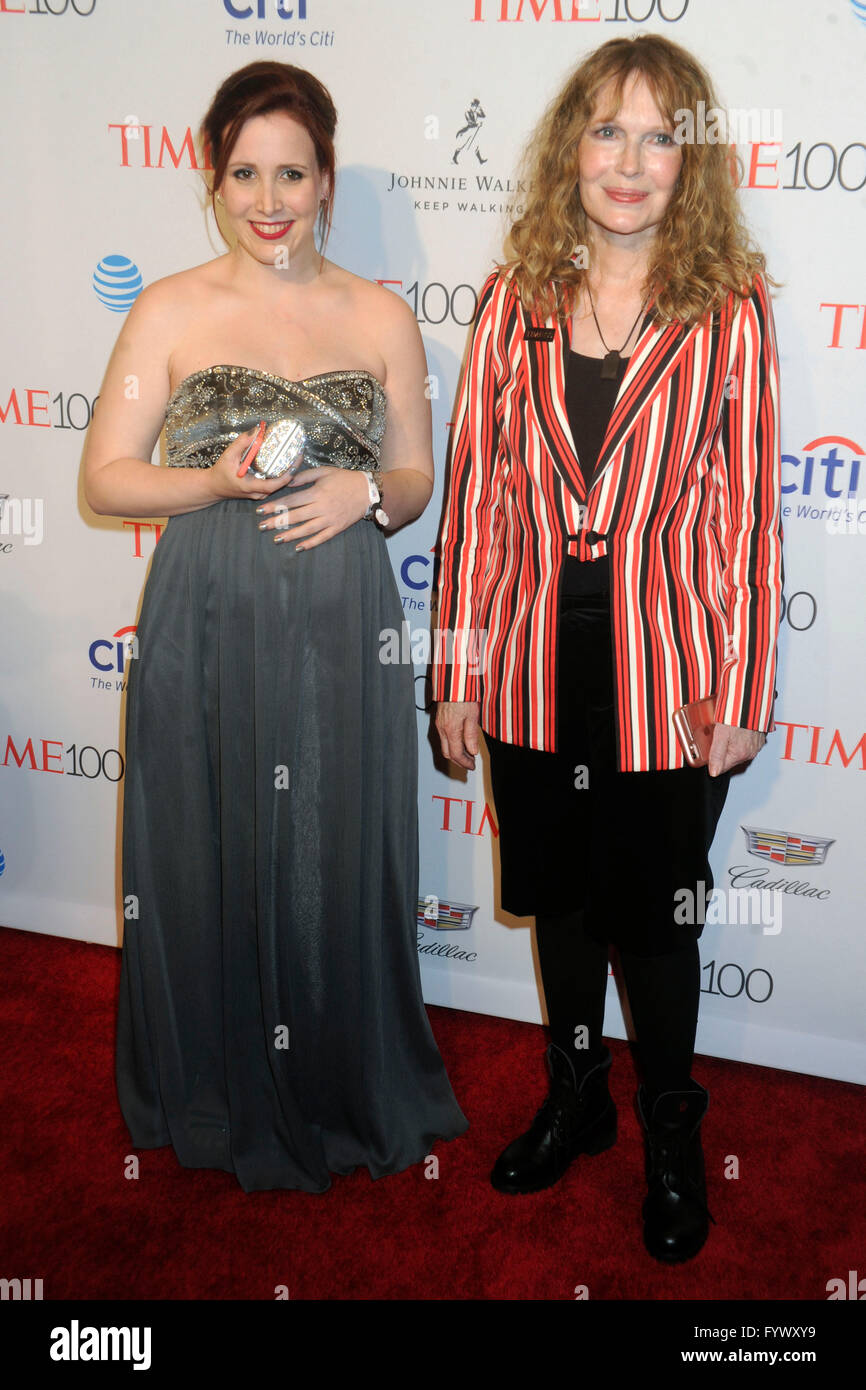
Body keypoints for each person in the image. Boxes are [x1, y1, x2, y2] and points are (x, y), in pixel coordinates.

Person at [82, 61, 467, 1194]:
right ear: (212, 178)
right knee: (206, 839)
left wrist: (372, 497)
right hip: (207, 607)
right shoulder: (169, 306)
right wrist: (208, 482)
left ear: (325, 177)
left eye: (290, 172)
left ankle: (340, 1075)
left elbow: (414, 473)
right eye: (244, 172)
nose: (268, 198)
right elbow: (108, 476)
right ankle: (213, 1077)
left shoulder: (379, 311)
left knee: (332, 846)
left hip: (343, 614)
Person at [432, 34, 782, 1263]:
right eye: (605, 131)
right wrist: (458, 670)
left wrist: (738, 685)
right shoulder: (512, 300)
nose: (627, 162)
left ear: (688, 162)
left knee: (659, 917)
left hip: (659, 679)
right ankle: (575, 1099)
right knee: (562, 906)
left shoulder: (724, 307)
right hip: (531, 667)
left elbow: (744, 514)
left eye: (656, 136)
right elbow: (474, 497)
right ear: (566, 149)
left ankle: (671, 1136)